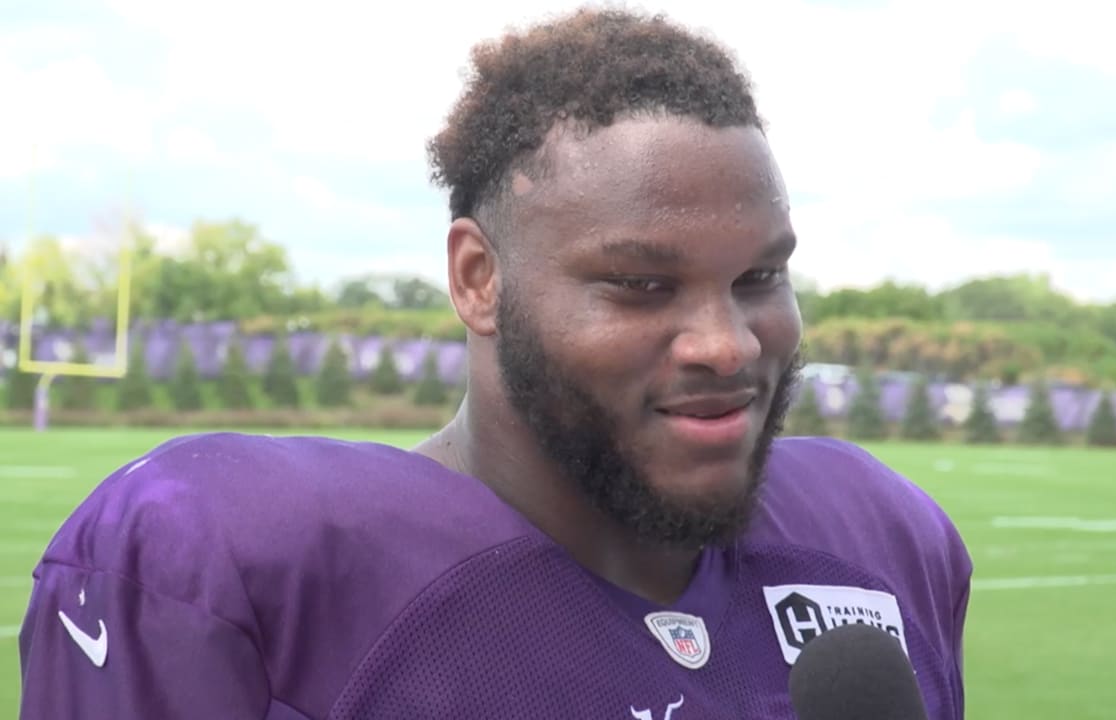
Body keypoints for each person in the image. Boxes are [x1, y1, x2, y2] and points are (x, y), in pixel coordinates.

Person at [18, 8, 972, 719]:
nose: (725, 343)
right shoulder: (243, 560)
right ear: (479, 279)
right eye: (640, 285)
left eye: (760, 276)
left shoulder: (876, 542)